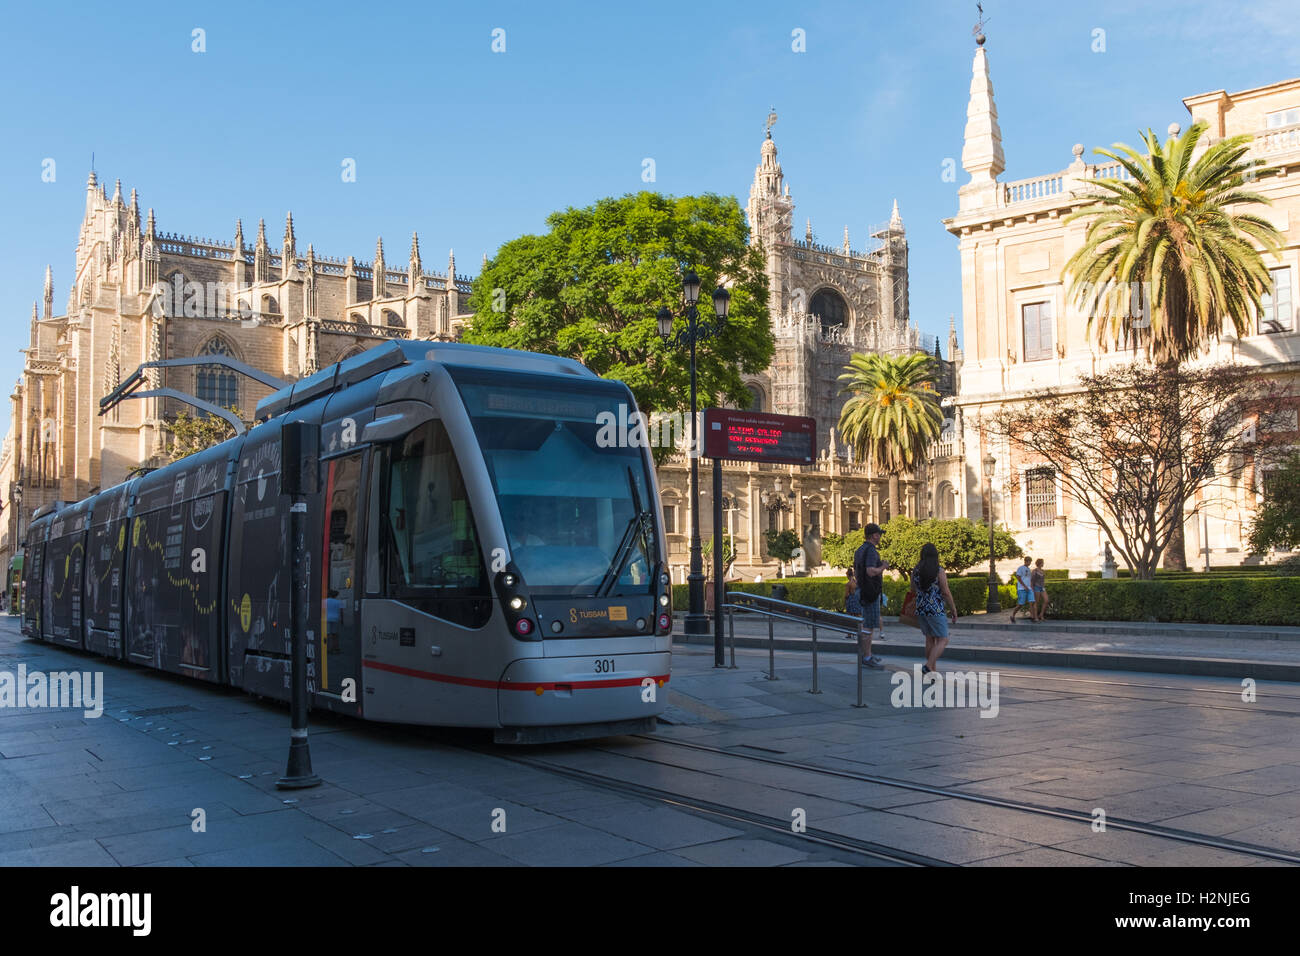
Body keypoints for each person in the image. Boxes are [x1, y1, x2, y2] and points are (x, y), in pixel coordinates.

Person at [912, 542, 957, 679]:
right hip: (935, 609)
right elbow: (946, 592)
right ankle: (928, 665)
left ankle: (932, 671)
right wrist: (954, 609)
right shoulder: (939, 570)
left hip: (921, 608)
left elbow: (912, 590)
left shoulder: (916, 570)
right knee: (943, 639)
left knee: (929, 639)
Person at [853, 524, 890, 668]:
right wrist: (883, 567)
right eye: (879, 534)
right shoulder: (872, 551)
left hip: (861, 590)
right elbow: (870, 571)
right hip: (870, 592)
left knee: (865, 624)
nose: (880, 536)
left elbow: (858, 571)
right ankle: (867, 657)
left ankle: (867, 654)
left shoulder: (860, 550)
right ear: (874, 535)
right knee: (869, 626)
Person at [1010, 556, 1034, 623]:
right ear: (1026, 561)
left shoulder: (1029, 569)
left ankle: (1032, 617)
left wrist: (1030, 587)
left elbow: (1029, 579)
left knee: (1032, 602)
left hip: (1029, 589)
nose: (1029, 563)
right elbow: (1018, 577)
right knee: (1021, 604)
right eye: (1029, 561)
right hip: (1022, 589)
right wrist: (1024, 586)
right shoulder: (1020, 568)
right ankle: (1012, 615)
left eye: (1030, 562)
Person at [844, 567, 861, 638]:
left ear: (848, 575)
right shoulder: (856, 582)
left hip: (851, 601)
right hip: (857, 600)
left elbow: (846, 594)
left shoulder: (848, 584)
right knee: (858, 617)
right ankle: (859, 632)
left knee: (849, 618)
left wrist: (844, 601)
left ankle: (849, 634)